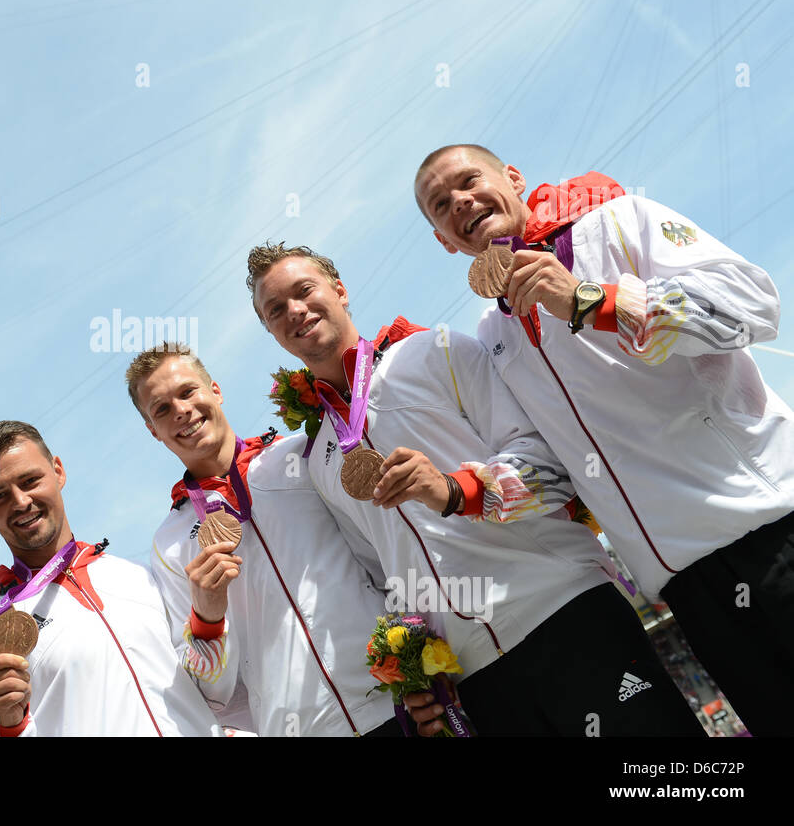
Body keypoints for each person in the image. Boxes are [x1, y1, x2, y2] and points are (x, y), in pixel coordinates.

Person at [246, 241, 703, 737]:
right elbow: (384, 578)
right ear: (270, 332)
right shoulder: (320, 459)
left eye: (304, 290)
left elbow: (547, 463)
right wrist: (416, 675)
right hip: (476, 673)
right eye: (275, 309)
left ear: (339, 289)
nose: (295, 310)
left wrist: (454, 489)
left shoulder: (433, 351)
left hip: (561, 608)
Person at [413, 144, 794, 735]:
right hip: (685, 587)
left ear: (512, 178)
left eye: (470, 181)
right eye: (441, 204)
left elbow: (752, 304)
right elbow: (554, 470)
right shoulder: (494, 335)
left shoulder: (616, 223)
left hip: (771, 530)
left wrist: (593, 301)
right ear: (443, 239)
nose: (461, 201)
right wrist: (455, 491)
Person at [125, 344, 407, 736]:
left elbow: (387, 556)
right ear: (153, 430)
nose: (181, 411)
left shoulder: (301, 457)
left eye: (188, 392)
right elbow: (210, 693)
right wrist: (206, 618)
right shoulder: (170, 544)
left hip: (397, 699)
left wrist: (422, 662)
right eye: (161, 409)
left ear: (215, 390)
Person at [0, 420, 222, 737]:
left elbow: (215, 692)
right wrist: (9, 727)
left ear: (58, 471)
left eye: (29, 480)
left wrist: (208, 621)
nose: (21, 501)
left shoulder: (138, 576)